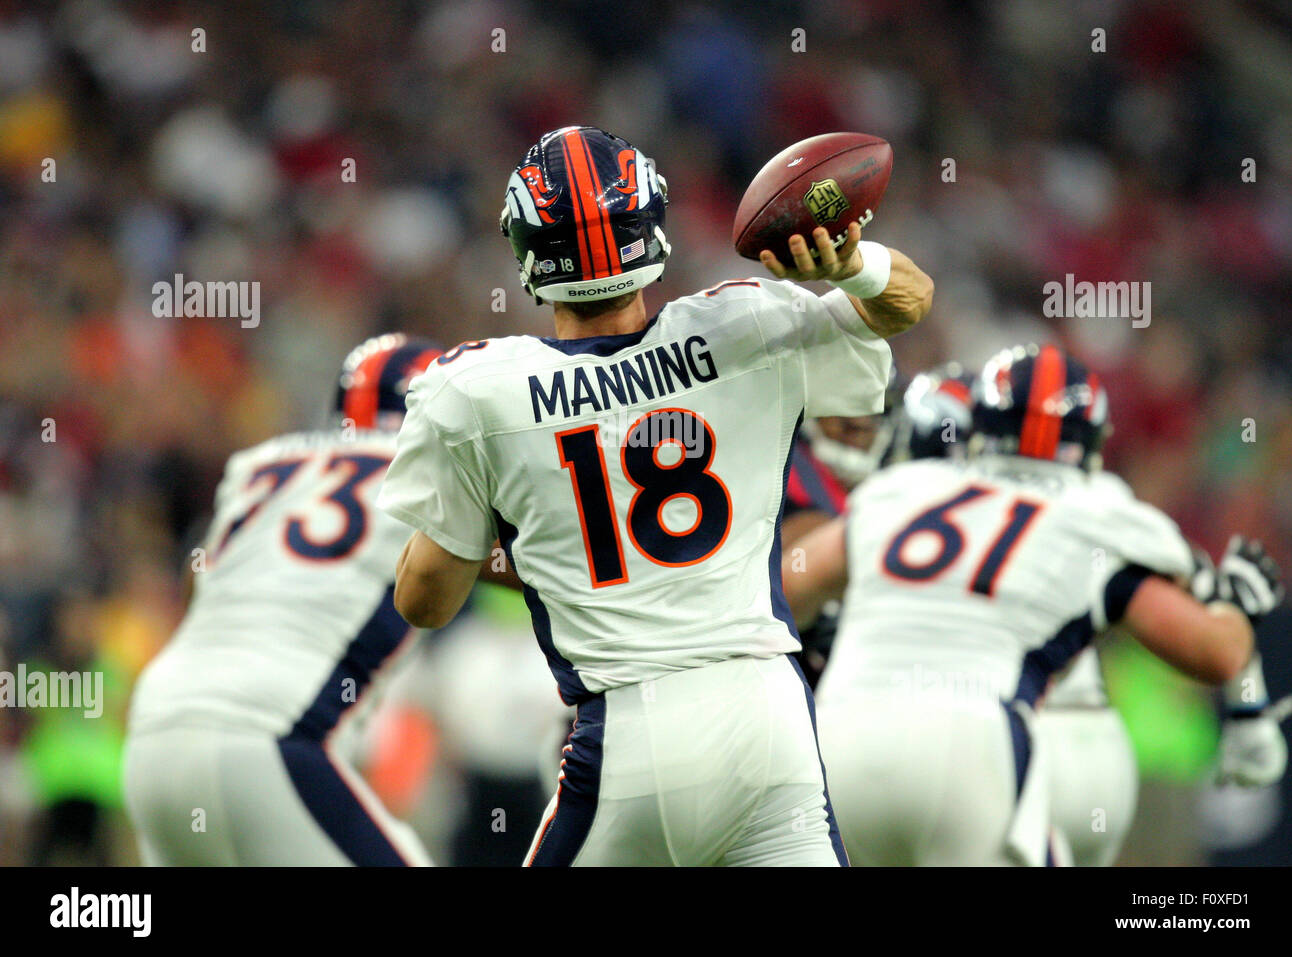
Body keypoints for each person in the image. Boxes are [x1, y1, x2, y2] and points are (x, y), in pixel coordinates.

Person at [376, 125, 933, 866]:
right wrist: (850, 261)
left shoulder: (475, 392)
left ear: (525, 248)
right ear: (652, 223)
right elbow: (910, 300)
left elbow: (425, 601)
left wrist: (514, 527)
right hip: (770, 715)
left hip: (631, 730)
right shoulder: (746, 323)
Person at [782, 342, 1285, 865]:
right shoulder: (1096, 510)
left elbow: (784, 597)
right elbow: (1216, 652)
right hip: (976, 745)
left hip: (837, 742)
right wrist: (1235, 609)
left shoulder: (901, 490)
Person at [123, 334, 442, 866]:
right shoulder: (428, 470)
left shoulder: (262, 463)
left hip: (155, 731)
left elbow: (195, 580)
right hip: (271, 739)